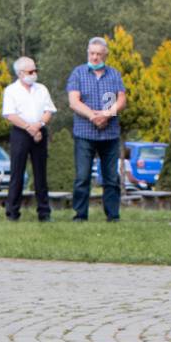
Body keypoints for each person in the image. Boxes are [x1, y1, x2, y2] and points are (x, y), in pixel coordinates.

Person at [66, 36, 127, 222]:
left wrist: (107, 115)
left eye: (99, 54)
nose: (95, 57)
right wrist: (93, 116)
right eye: (92, 53)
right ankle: (80, 215)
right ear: (88, 53)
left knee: (111, 178)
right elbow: (73, 101)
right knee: (83, 177)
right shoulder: (78, 73)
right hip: (85, 133)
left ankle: (113, 215)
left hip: (109, 134)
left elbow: (121, 99)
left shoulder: (115, 74)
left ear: (105, 55)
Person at [2, 55, 56, 221]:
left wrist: (38, 125)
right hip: (20, 132)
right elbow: (9, 114)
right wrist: (28, 127)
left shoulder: (42, 89)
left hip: (39, 131)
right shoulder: (11, 90)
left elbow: (49, 110)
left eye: (35, 70)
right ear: (20, 73)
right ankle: (12, 212)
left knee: (41, 173)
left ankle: (44, 212)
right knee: (17, 173)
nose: (34, 74)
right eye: (30, 71)